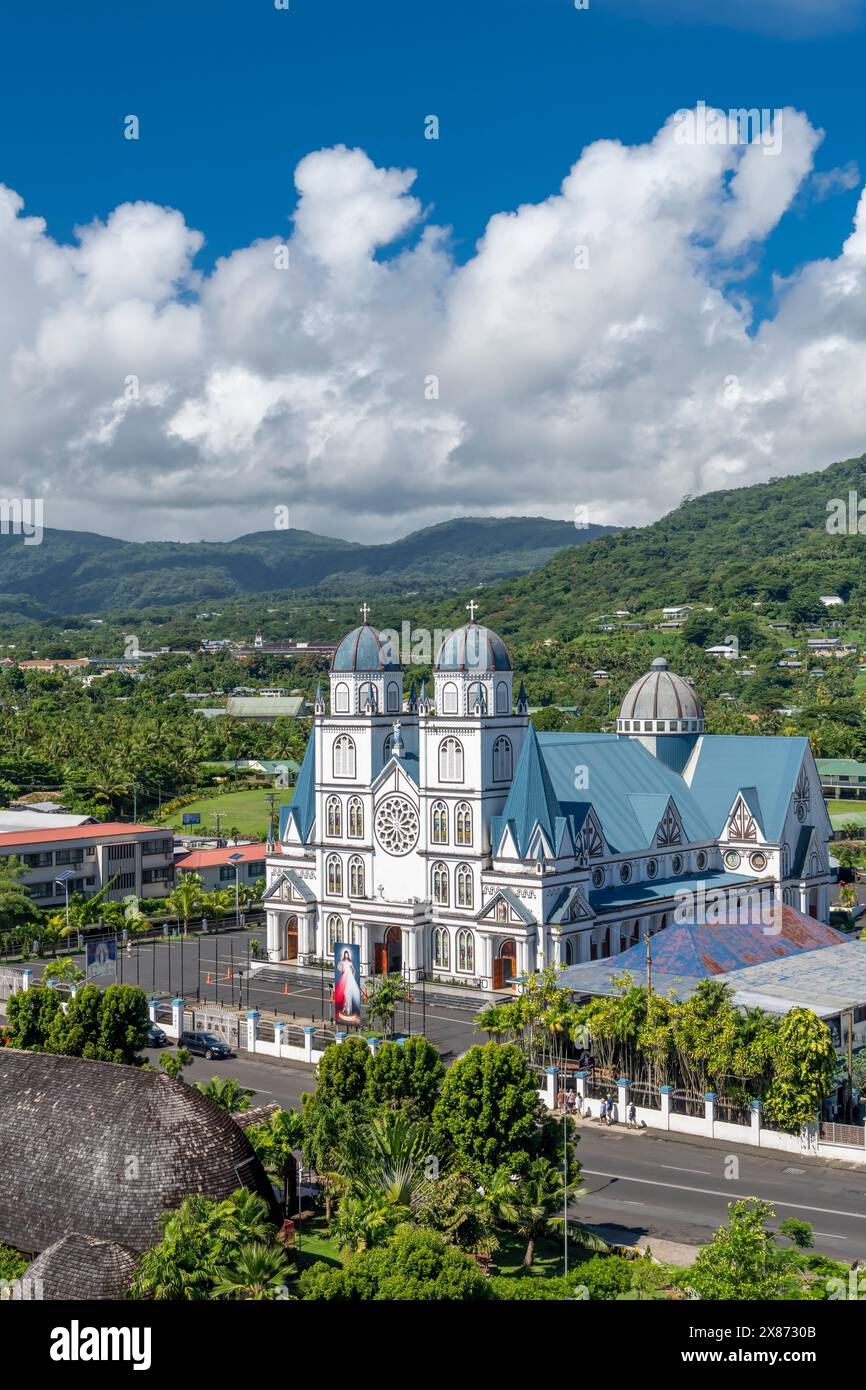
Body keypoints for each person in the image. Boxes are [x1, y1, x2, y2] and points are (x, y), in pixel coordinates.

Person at [334, 948, 362, 1024]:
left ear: (348, 955)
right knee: (346, 993)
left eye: (347, 954)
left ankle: (349, 1010)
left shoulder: (350, 962)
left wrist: (352, 974)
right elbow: (339, 969)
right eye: (345, 954)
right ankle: (346, 1008)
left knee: (349, 993)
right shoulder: (342, 962)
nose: (346, 955)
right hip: (345, 977)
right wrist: (340, 961)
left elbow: (354, 970)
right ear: (344, 955)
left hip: (350, 977)